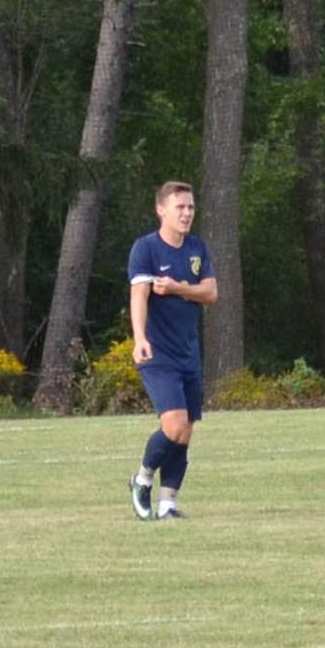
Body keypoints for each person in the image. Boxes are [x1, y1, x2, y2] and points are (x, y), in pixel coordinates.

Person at [128, 182, 217, 521]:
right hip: (158, 353)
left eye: (191, 207)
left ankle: (167, 504)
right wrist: (139, 338)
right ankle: (141, 479)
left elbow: (210, 293)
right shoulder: (146, 249)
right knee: (173, 423)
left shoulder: (196, 248)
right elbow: (139, 296)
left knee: (186, 429)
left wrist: (179, 288)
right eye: (179, 207)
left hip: (188, 353)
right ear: (161, 210)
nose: (186, 213)